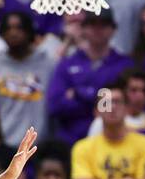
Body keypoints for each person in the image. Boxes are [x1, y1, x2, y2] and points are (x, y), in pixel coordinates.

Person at [71, 77, 145, 179]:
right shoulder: (82, 147)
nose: (111, 107)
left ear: (126, 108)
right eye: (105, 103)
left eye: (117, 102)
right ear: (97, 111)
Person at [47, 9, 134, 144]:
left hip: (112, 141)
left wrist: (78, 94)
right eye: (92, 24)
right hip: (70, 139)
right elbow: (55, 106)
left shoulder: (124, 65)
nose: (97, 29)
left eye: (104, 24)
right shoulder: (67, 64)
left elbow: (130, 105)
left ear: (113, 29)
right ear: (83, 28)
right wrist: (101, 98)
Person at [0, 10, 55, 147]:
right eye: (8, 29)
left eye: (19, 28)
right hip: (5, 145)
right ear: (2, 34)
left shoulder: (48, 65)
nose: (13, 33)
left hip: (41, 145)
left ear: (29, 31)